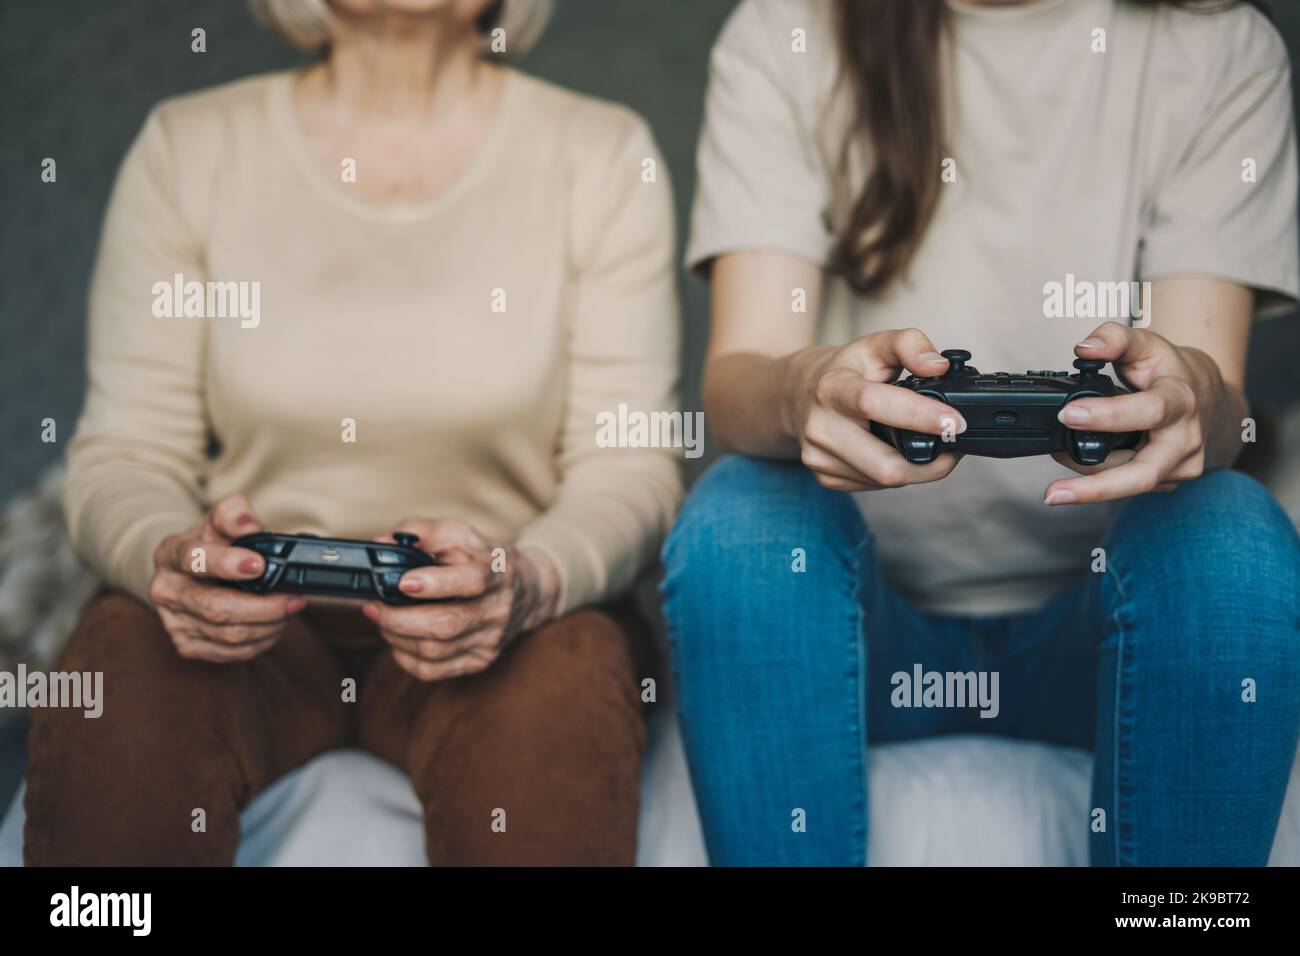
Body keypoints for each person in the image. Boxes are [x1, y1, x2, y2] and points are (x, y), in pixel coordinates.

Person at [25, 0, 682, 866]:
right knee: (120, 660)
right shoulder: (189, 147)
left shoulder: (600, 154)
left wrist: (528, 581)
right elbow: (127, 451)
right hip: (255, 632)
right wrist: (173, 559)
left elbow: (630, 461)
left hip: (496, 625)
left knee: (561, 677)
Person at [663, 0, 1300, 865]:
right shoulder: (787, 29)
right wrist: (799, 389)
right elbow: (742, 374)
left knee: (1226, 530)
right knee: (742, 513)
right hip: (863, 626)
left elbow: (1211, 412)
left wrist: (1191, 399)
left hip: (1104, 633)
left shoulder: (1220, 44)